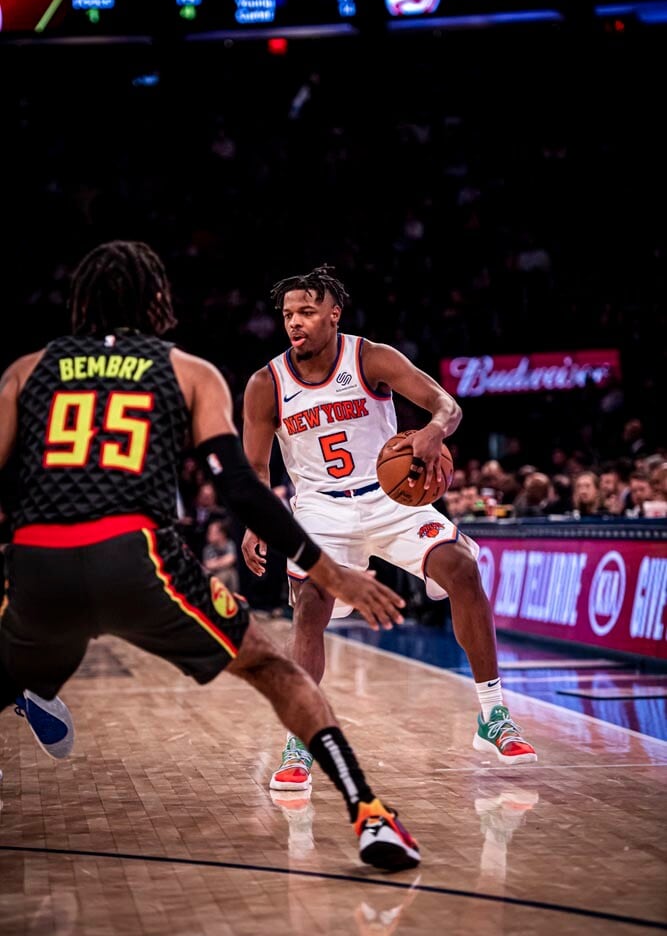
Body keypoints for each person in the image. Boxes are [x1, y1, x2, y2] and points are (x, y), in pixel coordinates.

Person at [0, 240, 420, 873]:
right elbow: (242, 487)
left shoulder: (25, 371)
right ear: (157, 301)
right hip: (138, 562)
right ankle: (369, 814)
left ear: (80, 300)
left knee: (21, 650)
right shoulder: (188, 370)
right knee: (278, 672)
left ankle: (27, 680)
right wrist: (331, 572)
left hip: (38, 564)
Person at [241, 266, 537, 792]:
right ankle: (301, 742)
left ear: (334, 313)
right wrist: (255, 521)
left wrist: (431, 430)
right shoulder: (266, 384)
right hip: (319, 511)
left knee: (462, 569)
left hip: (390, 498)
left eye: (306, 312)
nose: (295, 323)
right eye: (287, 315)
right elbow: (258, 470)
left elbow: (447, 404)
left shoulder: (370, 357)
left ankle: (493, 716)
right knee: (310, 604)